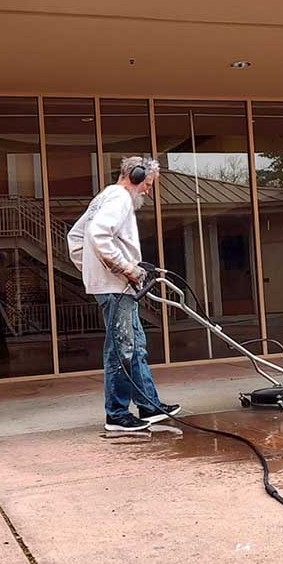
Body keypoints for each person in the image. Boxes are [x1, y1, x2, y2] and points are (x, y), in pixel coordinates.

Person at [67, 156, 181, 432]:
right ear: (137, 176)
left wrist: (94, 271)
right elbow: (97, 234)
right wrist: (125, 269)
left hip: (115, 285)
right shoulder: (119, 198)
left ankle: (148, 405)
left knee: (136, 345)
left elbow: (76, 238)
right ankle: (117, 414)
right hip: (116, 287)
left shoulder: (104, 196)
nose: (148, 191)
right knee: (122, 349)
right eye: (148, 185)